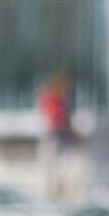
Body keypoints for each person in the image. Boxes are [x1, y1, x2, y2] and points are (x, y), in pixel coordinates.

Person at [37, 73, 75, 201]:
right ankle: (51, 194)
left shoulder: (63, 102)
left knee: (63, 167)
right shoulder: (51, 100)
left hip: (61, 137)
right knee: (50, 167)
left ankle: (60, 192)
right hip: (52, 137)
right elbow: (52, 120)